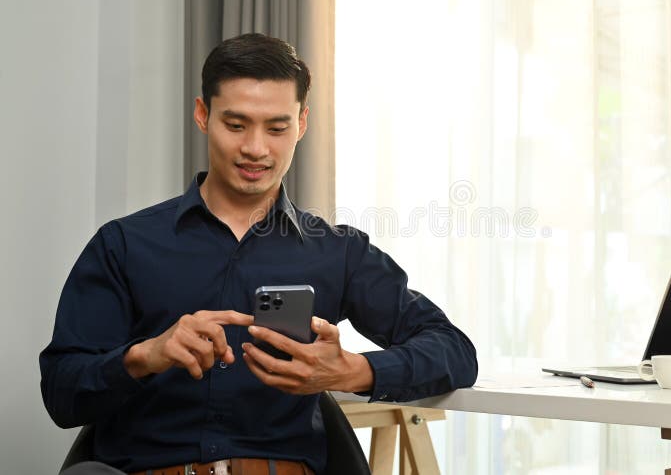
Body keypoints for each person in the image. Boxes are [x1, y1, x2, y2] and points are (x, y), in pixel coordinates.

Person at [40, 33, 479, 475]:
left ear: (302, 123)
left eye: (277, 127)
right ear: (202, 114)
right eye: (236, 125)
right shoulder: (124, 245)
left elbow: (455, 351)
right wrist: (145, 355)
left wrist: (353, 371)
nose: (255, 148)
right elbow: (61, 392)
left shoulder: (338, 252)